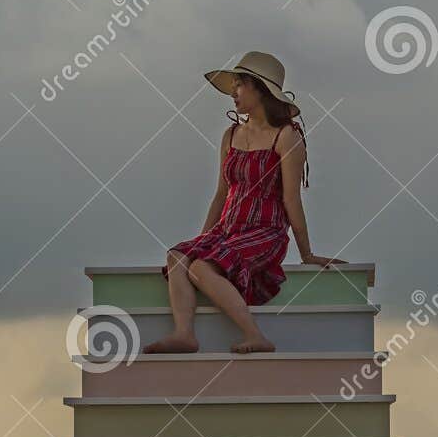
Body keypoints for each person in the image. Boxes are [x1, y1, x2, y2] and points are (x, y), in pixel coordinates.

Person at [144, 51, 344, 354]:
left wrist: (307, 253)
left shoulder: (286, 137)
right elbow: (221, 193)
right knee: (177, 257)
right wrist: (203, 239)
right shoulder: (231, 135)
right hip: (228, 230)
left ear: (260, 89)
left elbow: (291, 199)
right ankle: (184, 334)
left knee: (202, 268)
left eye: (239, 84)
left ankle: (255, 335)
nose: (233, 92)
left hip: (265, 232)